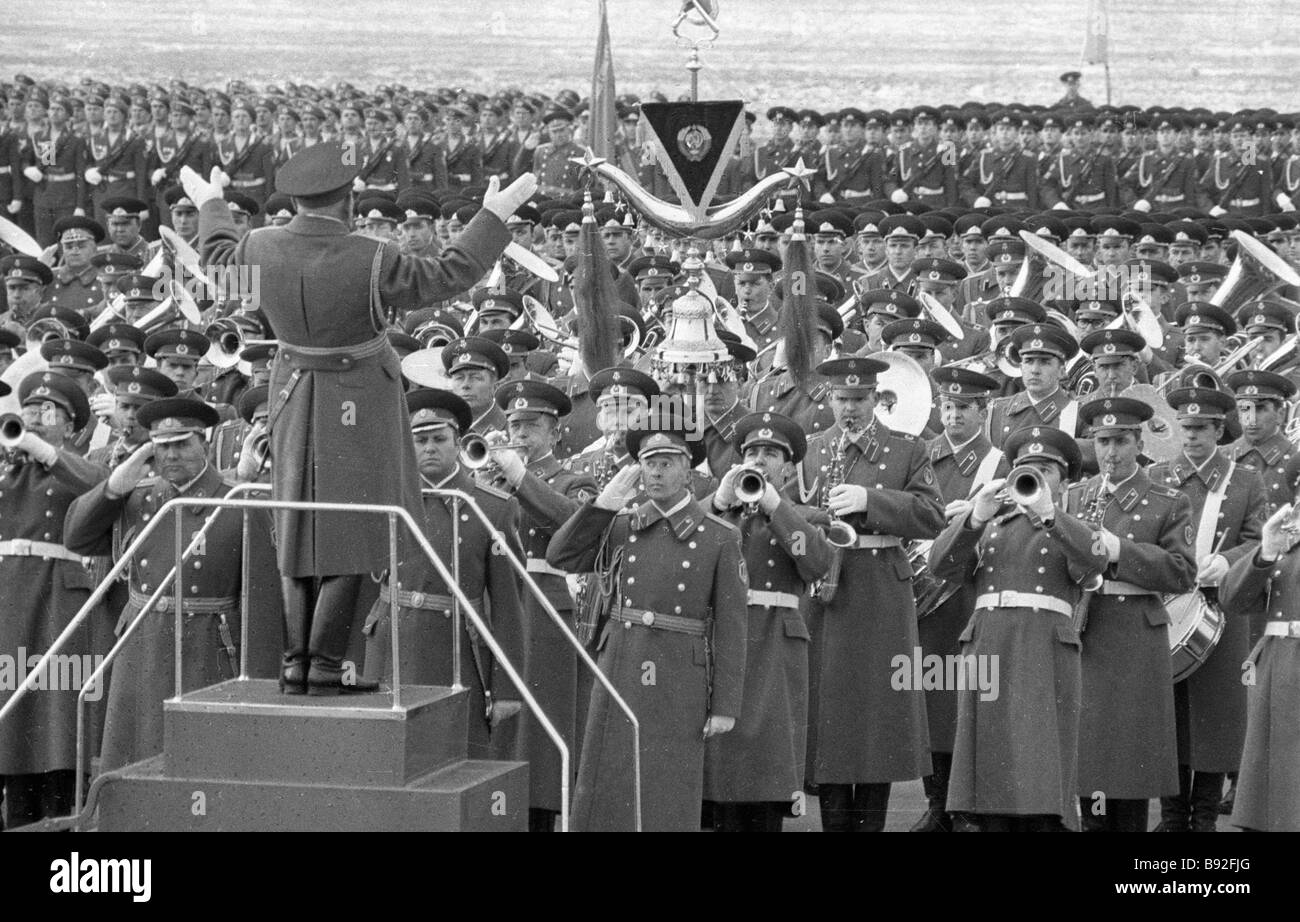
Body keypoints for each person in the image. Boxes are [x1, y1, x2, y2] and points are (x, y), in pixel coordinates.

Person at [193, 140, 536, 695]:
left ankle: (294, 664)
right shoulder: (370, 256)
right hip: (359, 395)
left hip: (289, 392)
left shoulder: (259, 245)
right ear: (346, 199)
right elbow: (450, 273)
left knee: (298, 518)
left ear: (298, 199)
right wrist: (492, 218)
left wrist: (212, 202)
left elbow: (216, 264)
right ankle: (324, 665)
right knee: (353, 523)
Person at [545, 417, 748, 832]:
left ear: (688, 471)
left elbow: (731, 626)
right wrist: (601, 505)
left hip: (680, 676)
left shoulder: (719, 537)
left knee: (668, 783)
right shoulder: (622, 524)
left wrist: (725, 706)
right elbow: (560, 556)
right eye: (648, 462)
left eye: (667, 462)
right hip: (620, 662)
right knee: (609, 774)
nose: (655, 471)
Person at [63, 397, 259, 771]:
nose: (172, 455)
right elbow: (77, 536)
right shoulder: (140, 498)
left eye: (182, 443)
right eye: (162, 447)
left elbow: (261, 606)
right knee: (137, 756)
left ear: (204, 442)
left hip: (209, 647)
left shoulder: (237, 502)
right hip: (143, 644)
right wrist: (120, 480)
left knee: (203, 759)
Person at [929, 426, 1106, 831]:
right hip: (990, 641)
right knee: (991, 766)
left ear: (1064, 479)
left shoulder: (1070, 523)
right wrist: (974, 516)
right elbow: (941, 565)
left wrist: (1049, 514)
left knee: (1040, 764)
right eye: (1027, 469)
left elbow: (1093, 563)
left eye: (1047, 469)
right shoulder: (993, 522)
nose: (1037, 477)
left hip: (1043, 646)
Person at [800, 356, 945, 832]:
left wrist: (871, 502)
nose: (850, 409)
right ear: (830, 399)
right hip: (829, 588)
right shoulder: (813, 448)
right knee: (832, 719)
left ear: (877, 400)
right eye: (842, 399)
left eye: (859, 400)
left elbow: (931, 515)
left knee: (876, 718)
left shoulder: (907, 448)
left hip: (882, 588)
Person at [361, 388, 525, 758]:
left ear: (458, 443)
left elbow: (509, 608)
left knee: (450, 759)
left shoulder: (492, 508)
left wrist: (507, 690)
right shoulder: (387, 500)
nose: (429, 448)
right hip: (391, 645)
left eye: (439, 439)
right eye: (419, 440)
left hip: (456, 651)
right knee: (383, 758)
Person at [1067, 396, 1196, 832]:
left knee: (1130, 760)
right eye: (1102, 441)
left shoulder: (1168, 500)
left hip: (1137, 634)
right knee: (1091, 756)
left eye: (1120, 440)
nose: (1110, 451)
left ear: (1138, 441)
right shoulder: (1077, 496)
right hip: (1089, 629)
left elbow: (1182, 572)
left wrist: (1121, 550)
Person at [704, 411, 830, 832]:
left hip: (774, 646)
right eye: (752, 452)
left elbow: (814, 561)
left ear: (789, 467)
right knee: (718, 773)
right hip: (724, 641)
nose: (759, 460)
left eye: (771, 454)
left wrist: (775, 505)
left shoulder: (806, 517)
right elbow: (686, 548)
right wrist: (719, 503)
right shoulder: (720, 512)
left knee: (765, 772)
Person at [1148, 386, 1266, 831]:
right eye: (1186, 428)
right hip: (1168, 608)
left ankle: (1204, 816)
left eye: (1201, 429)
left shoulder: (1244, 479)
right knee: (1169, 714)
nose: (1192, 437)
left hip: (1221, 607)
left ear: (1220, 429)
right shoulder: (1158, 475)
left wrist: (1228, 562)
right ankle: (1174, 816)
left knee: (1215, 717)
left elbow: (1257, 540)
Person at [482, 379, 596, 831]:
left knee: (537, 731)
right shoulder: (491, 476)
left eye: (532, 426)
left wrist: (521, 479)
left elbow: (575, 524)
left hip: (544, 610)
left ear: (555, 433)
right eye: (514, 425)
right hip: (495, 600)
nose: (521, 434)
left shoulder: (573, 479)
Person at [0, 372, 106, 829]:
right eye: (31, 412)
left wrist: (48, 454)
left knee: (52, 716)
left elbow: (102, 486)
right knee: (12, 716)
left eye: (49, 414)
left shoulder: (75, 463)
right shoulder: (7, 467)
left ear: (69, 424)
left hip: (53, 604)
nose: (37, 422)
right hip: (8, 599)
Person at [912, 365, 1008, 831]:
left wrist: (971, 519)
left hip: (968, 588)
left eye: (963, 408)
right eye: (946, 407)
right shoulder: (921, 454)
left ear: (983, 410)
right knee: (928, 693)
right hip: (924, 588)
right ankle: (936, 801)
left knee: (963, 693)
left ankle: (963, 803)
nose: (952, 416)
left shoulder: (998, 463)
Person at [1218, 500, 1300, 831]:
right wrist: (1265, 552)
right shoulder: (1286, 538)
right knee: (1270, 799)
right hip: (1279, 667)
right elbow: (1233, 599)